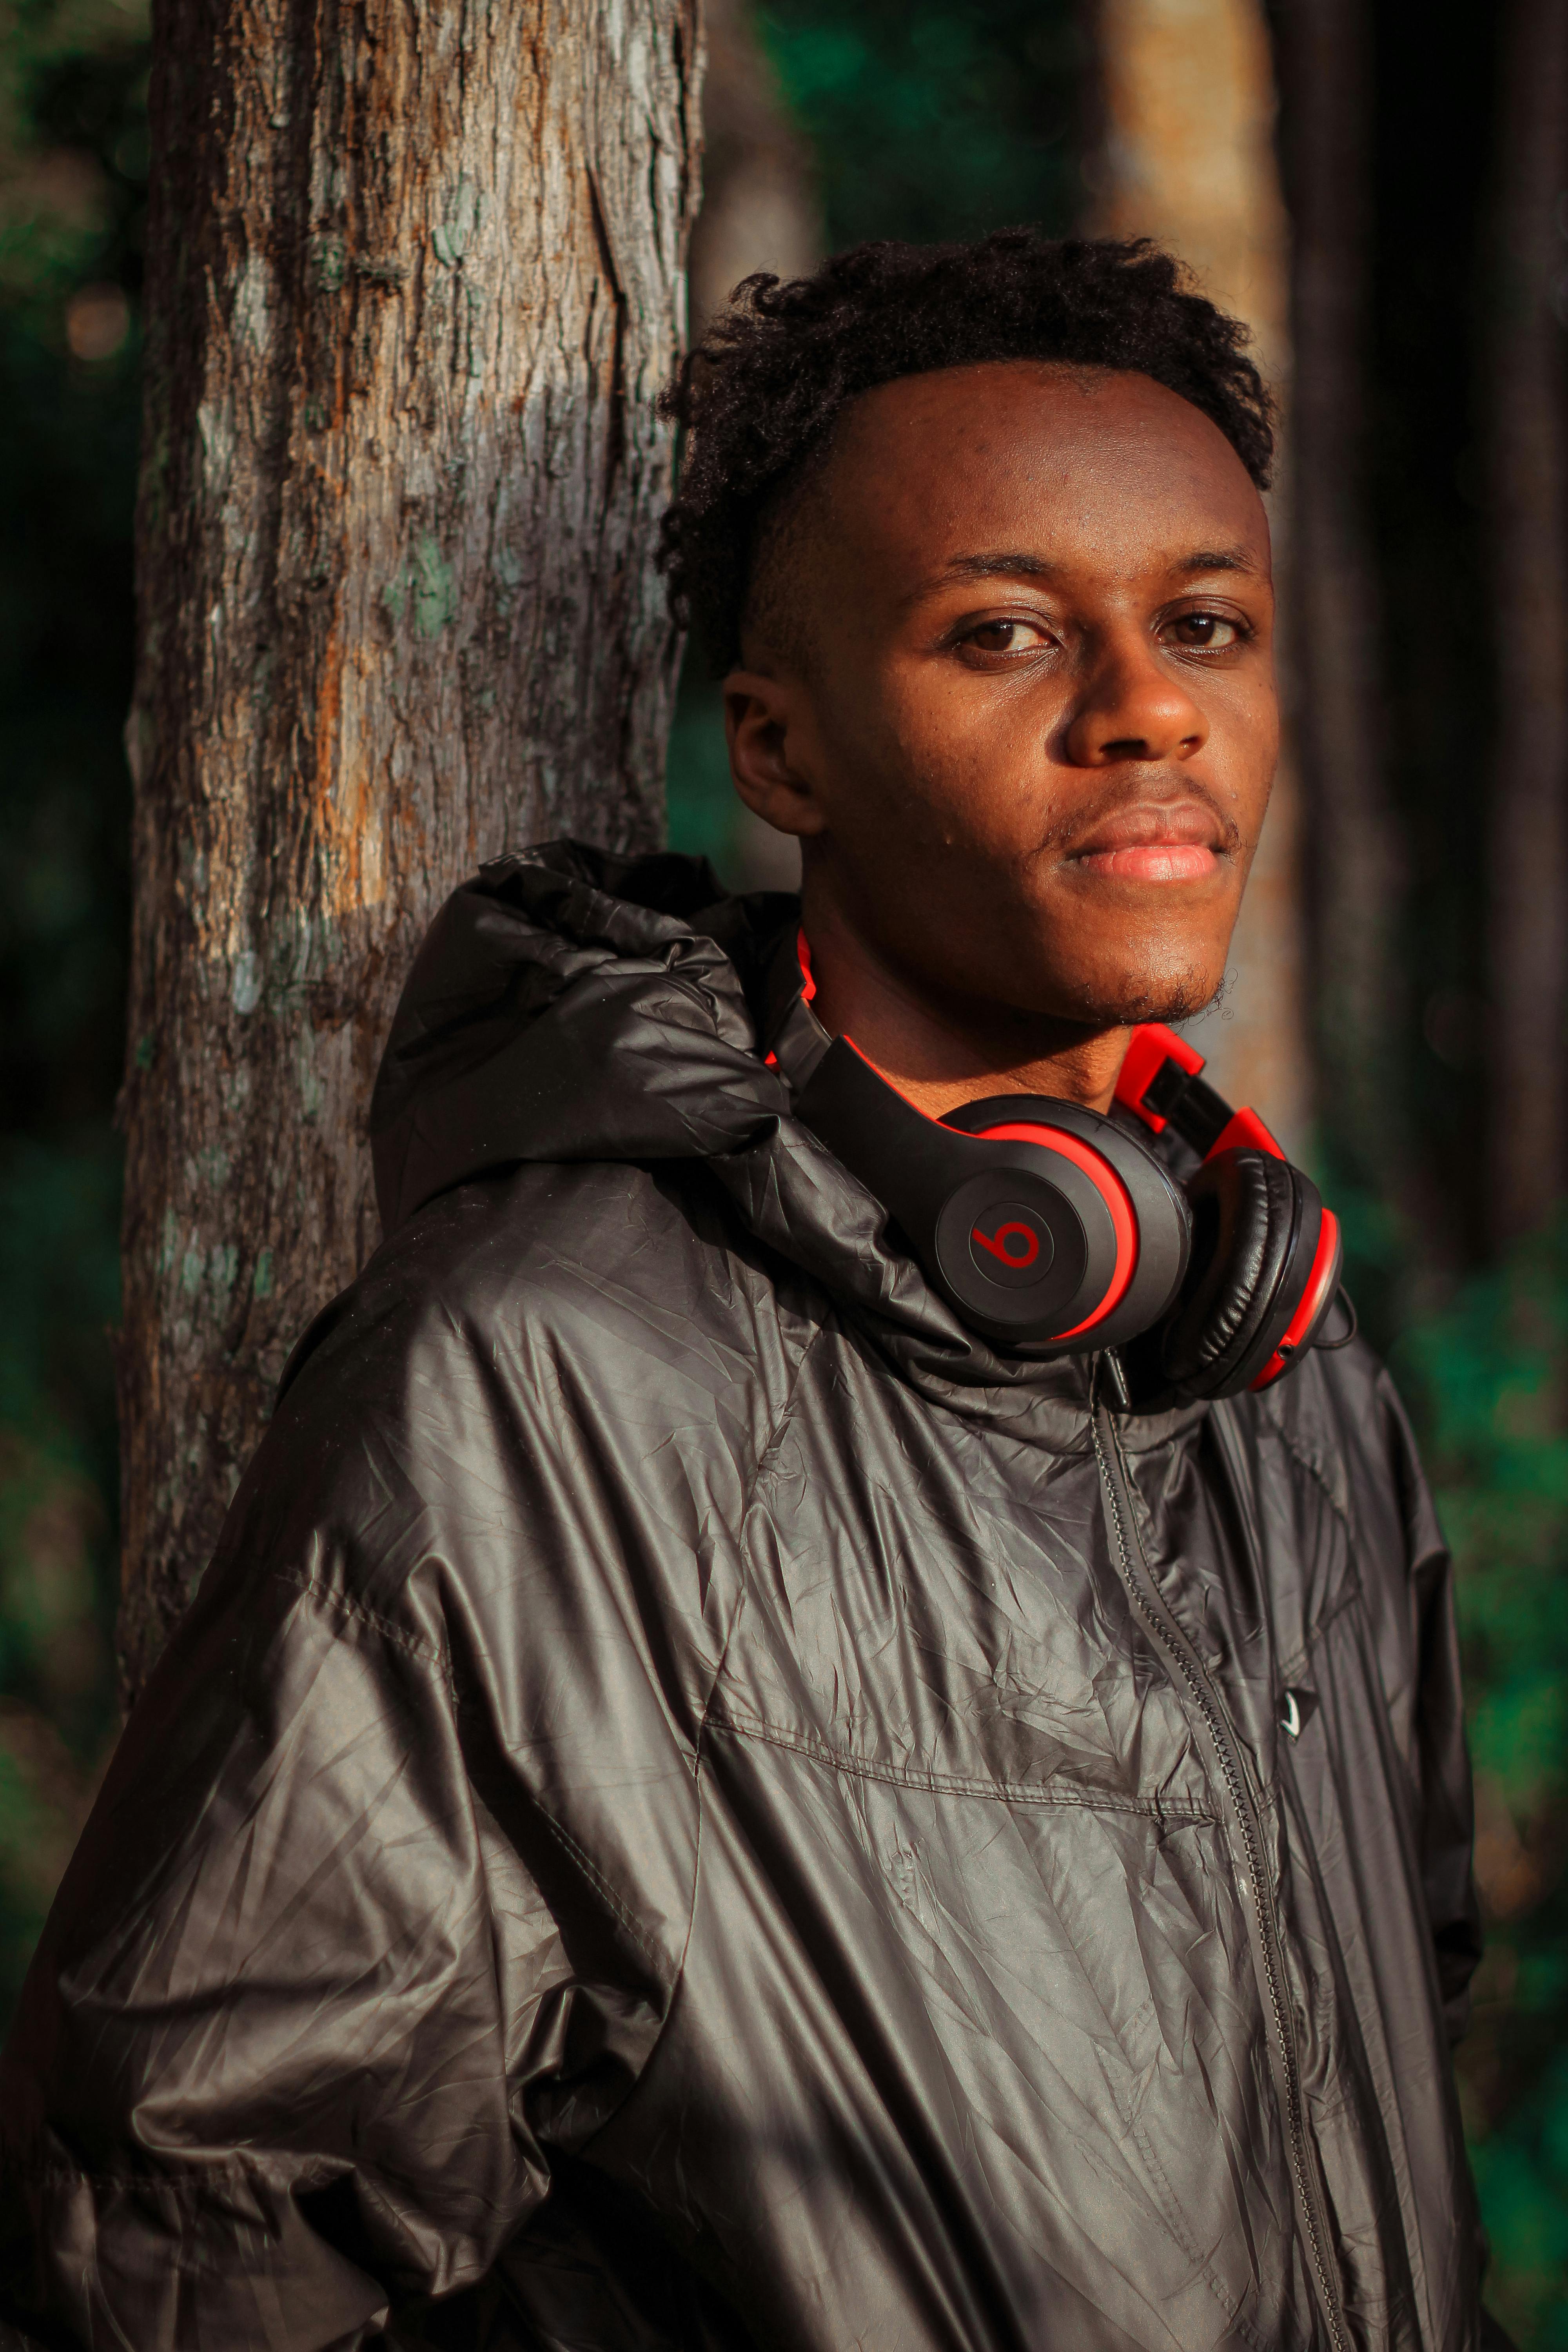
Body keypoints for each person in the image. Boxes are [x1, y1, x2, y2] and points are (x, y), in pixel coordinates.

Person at [0, 232, 1503, 2352]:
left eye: (1205, 624)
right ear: (783, 757)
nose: (1150, 708)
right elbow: (182, 2242)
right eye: (1003, 631)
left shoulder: (1287, 1359)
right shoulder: (545, 1375)